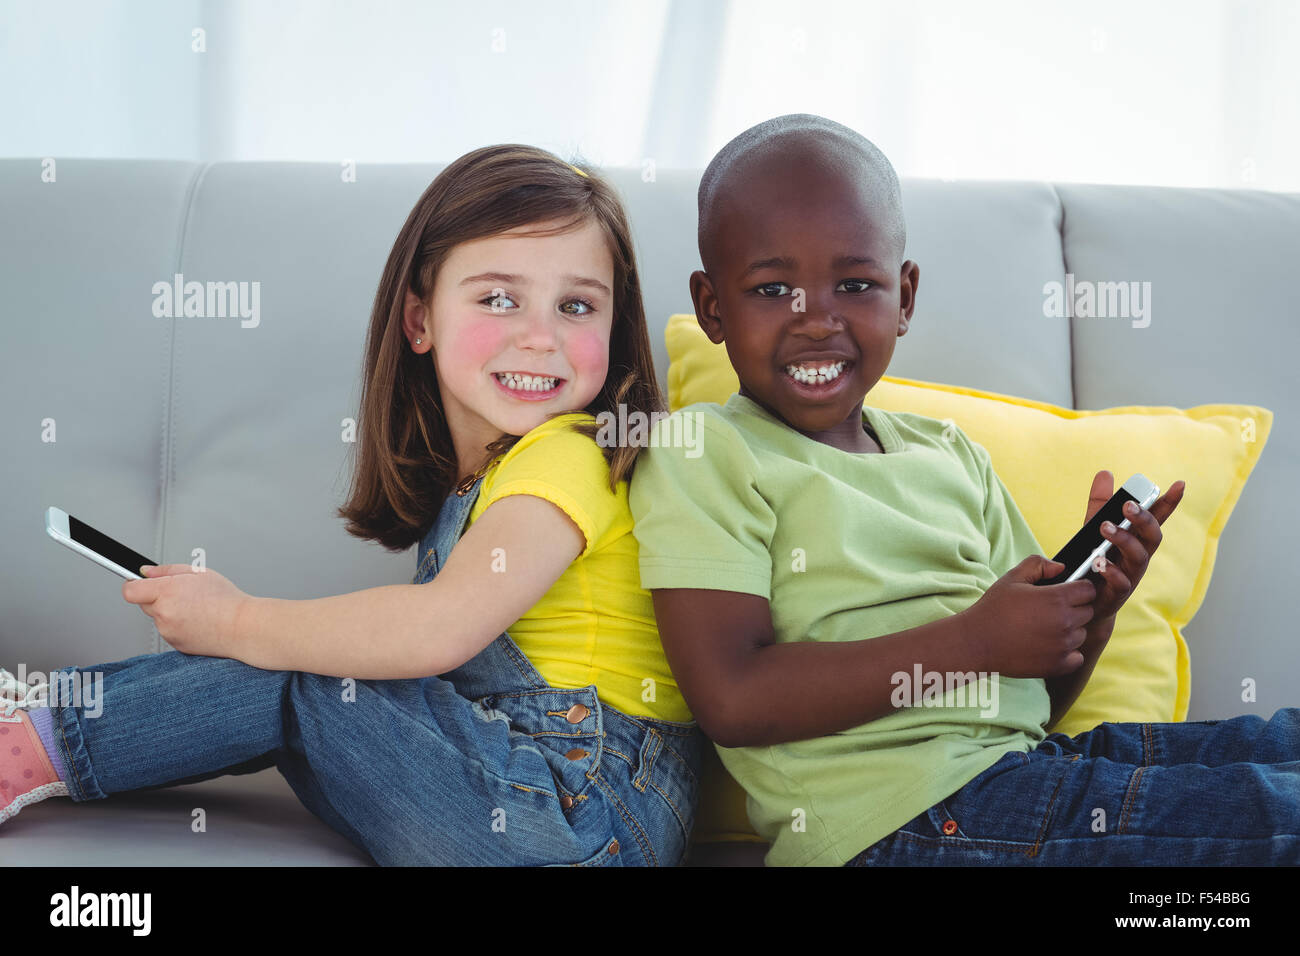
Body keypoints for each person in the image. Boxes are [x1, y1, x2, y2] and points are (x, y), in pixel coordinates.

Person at [0, 145, 703, 866]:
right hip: (538, 806)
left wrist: (237, 620)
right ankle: (42, 733)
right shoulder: (485, 482)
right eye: (498, 297)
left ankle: (29, 740)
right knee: (305, 667)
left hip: (575, 809)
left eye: (577, 305)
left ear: (615, 330)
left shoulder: (572, 454)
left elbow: (439, 630)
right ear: (419, 321)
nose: (541, 336)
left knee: (300, 671)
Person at [628, 113, 1299, 865]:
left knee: (1280, 744)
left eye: (854, 284)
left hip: (1021, 778)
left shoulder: (950, 457)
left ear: (904, 296)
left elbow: (1029, 706)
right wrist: (976, 640)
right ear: (713, 306)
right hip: (902, 825)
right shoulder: (706, 452)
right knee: (1276, 815)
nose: (815, 319)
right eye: (772, 287)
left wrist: (1089, 616)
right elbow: (733, 698)